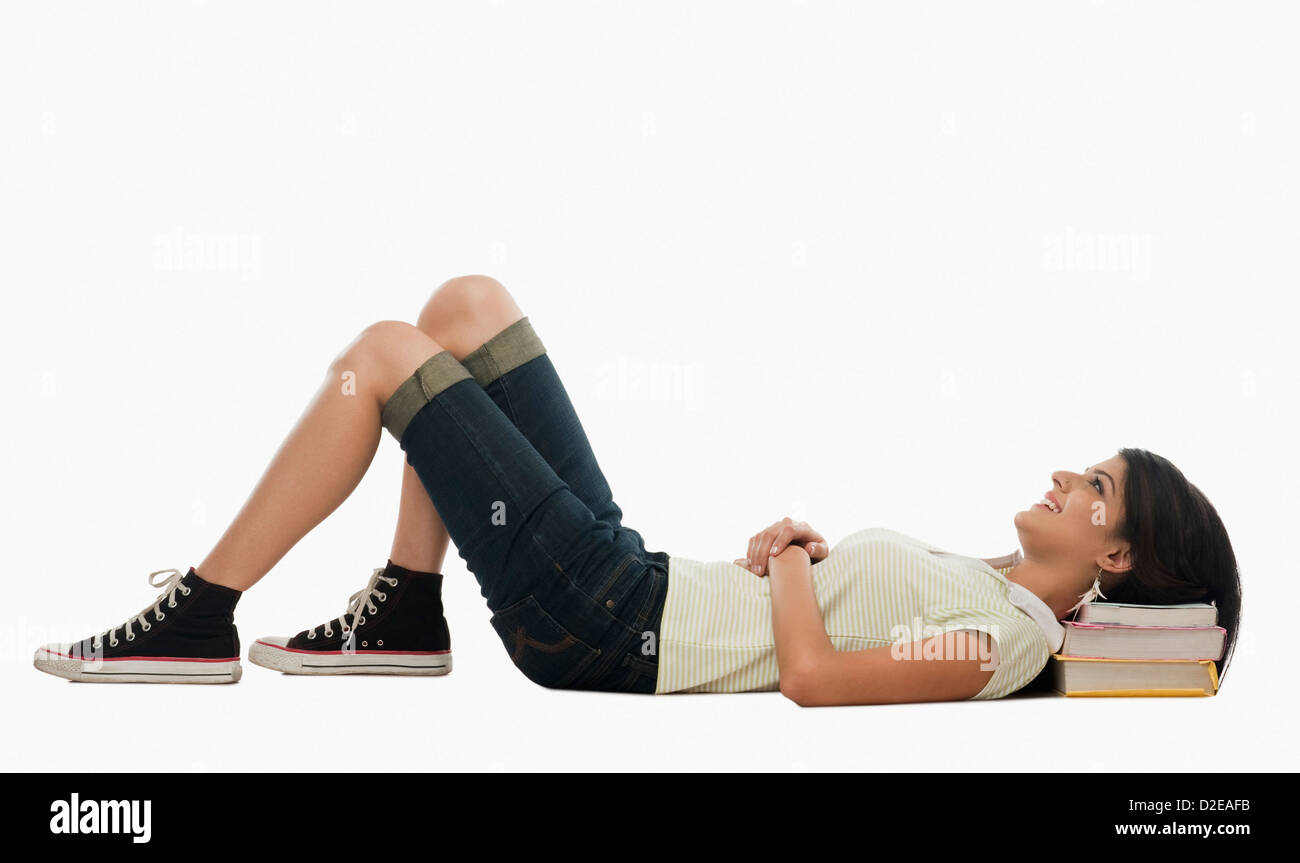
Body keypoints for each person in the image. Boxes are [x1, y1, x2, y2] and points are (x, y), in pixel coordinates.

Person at [32, 276, 1243, 704]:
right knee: (466, 306)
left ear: (1118, 555)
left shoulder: (1015, 637)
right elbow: (833, 630)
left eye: (1092, 484)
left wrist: (782, 566)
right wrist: (798, 558)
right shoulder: (989, 582)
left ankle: (197, 615)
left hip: (609, 622)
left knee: (391, 352)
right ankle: (407, 605)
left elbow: (815, 682)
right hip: (634, 573)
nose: (1061, 474)